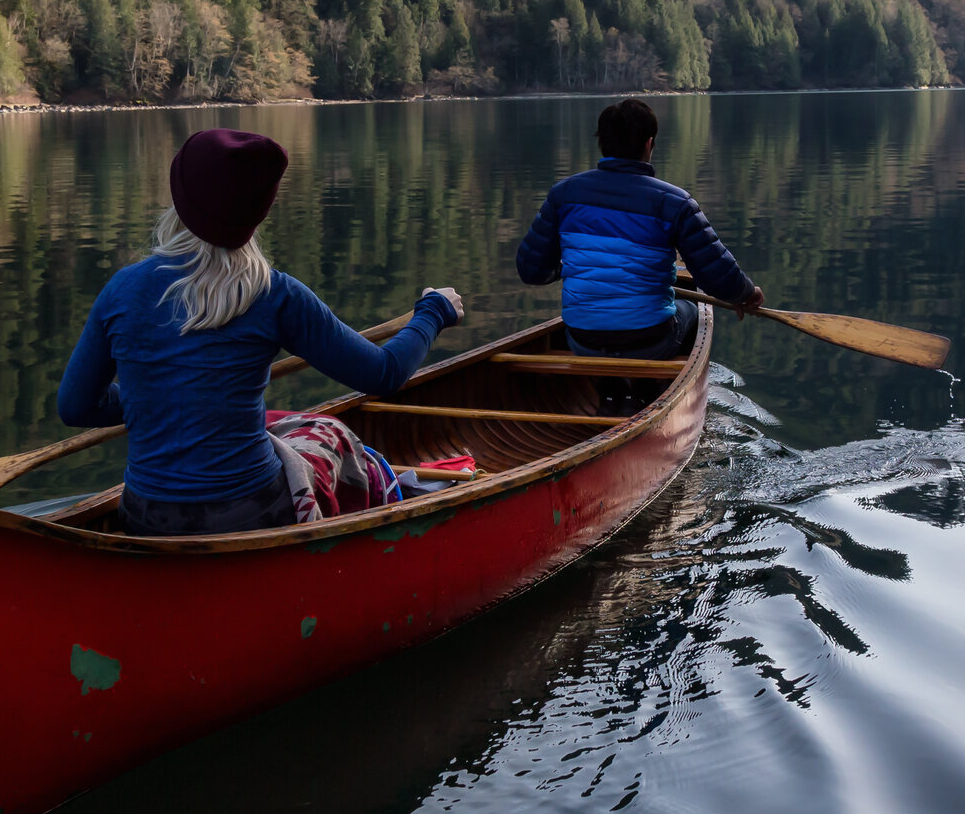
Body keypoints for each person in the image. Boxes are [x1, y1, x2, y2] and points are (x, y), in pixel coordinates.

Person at [57, 128, 464, 536]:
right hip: (251, 512)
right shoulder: (274, 294)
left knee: (292, 427)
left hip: (145, 516)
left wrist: (156, 396)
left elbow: (77, 407)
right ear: (258, 210)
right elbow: (384, 373)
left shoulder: (122, 289)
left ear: (180, 195)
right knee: (330, 432)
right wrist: (433, 311)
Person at [515, 98, 762, 359]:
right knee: (693, 311)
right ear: (649, 143)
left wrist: (570, 268)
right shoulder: (675, 203)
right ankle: (652, 386)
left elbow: (532, 270)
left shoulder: (563, 195)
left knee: (610, 331)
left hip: (581, 338)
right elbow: (716, 275)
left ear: (602, 143)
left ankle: (611, 391)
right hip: (651, 339)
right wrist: (746, 293)